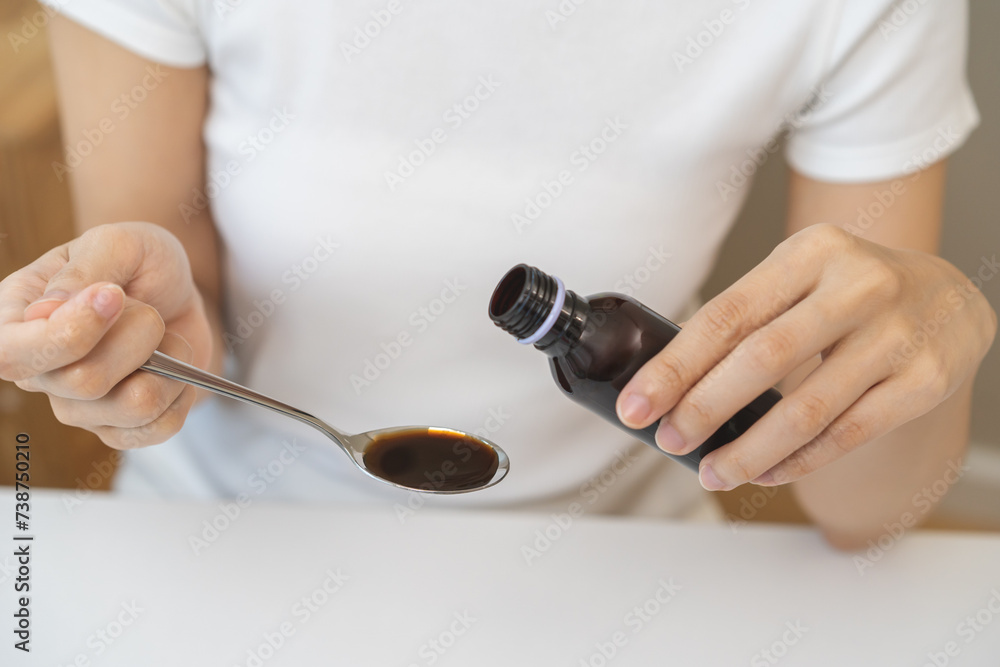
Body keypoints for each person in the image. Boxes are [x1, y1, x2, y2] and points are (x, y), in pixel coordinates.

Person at [1, 0, 994, 548]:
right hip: (220, 539)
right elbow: (168, 289)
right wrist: (139, 335)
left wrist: (938, 329)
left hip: (613, 563)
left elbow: (866, 511)